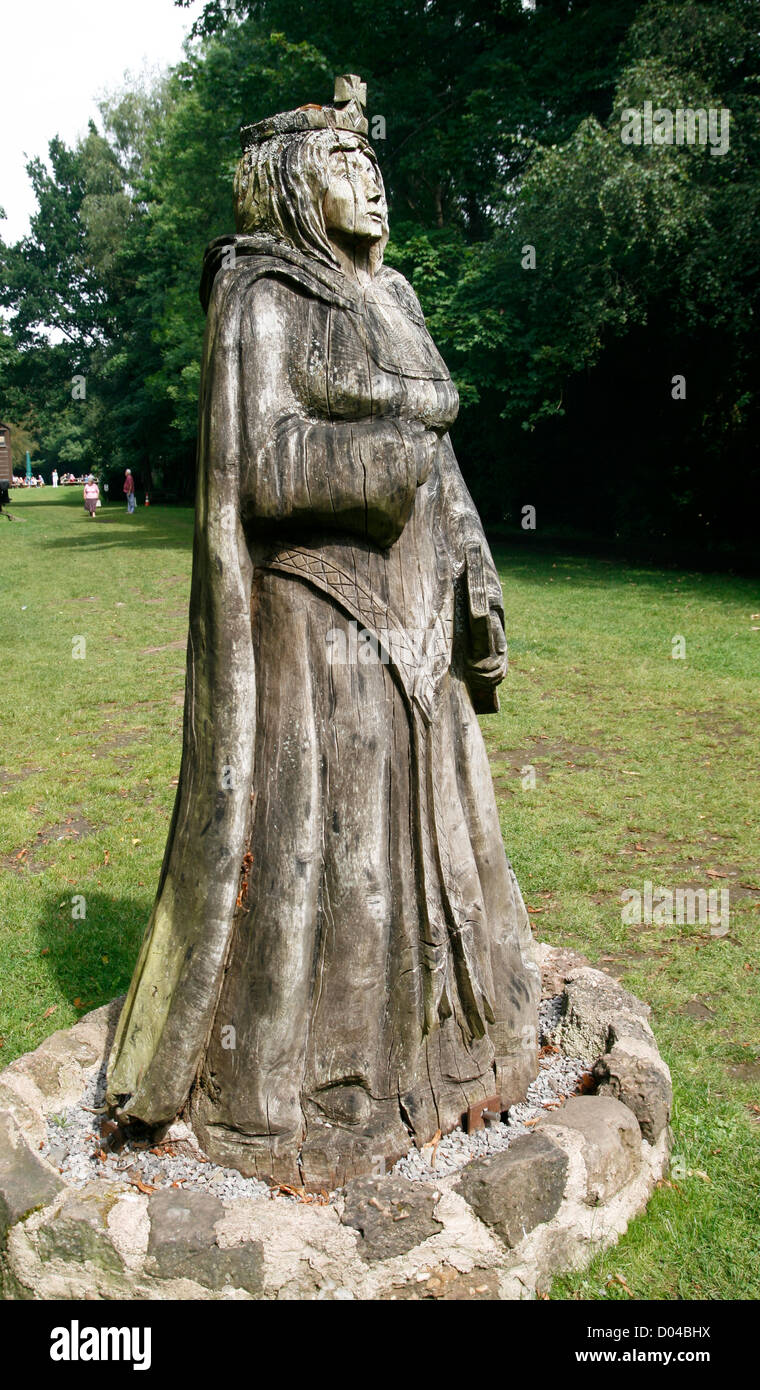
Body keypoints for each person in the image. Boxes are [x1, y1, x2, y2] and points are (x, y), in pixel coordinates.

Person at [106, 78, 539, 1187]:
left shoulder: (392, 294)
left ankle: (446, 1054)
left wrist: (477, 576)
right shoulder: (261, 295)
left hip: (419, 617)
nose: (374, 183)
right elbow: (261, 465)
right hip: (318, 619)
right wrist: (385, 461)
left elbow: (442, 463)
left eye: (376, 165)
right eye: (348, 165)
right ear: (292, 184)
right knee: (329, 850)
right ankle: (301, 1087)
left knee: (435, 837)